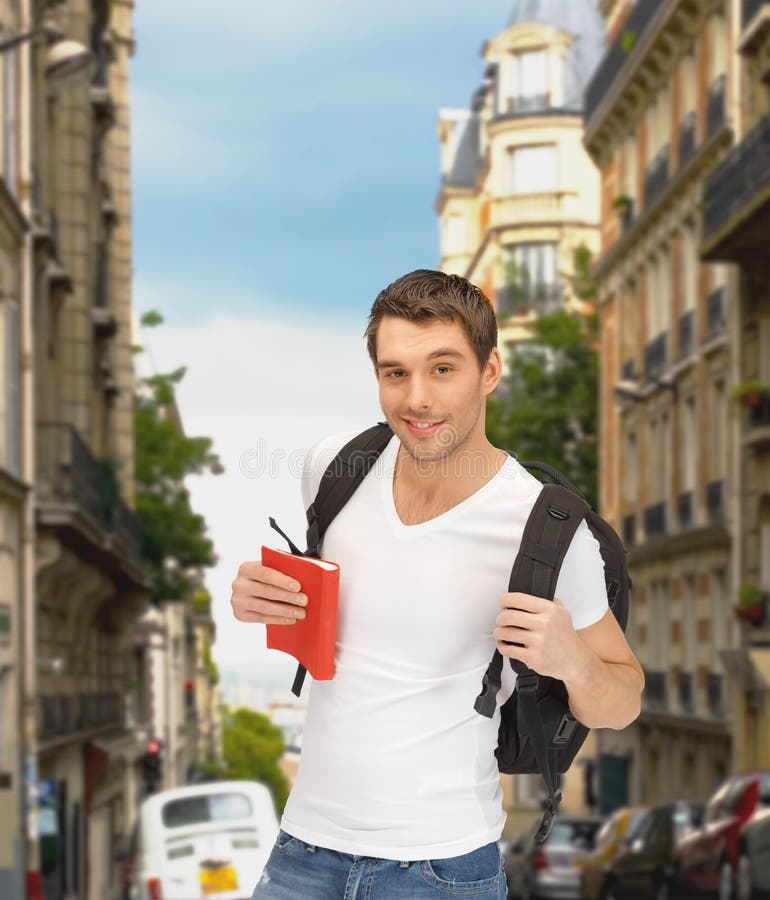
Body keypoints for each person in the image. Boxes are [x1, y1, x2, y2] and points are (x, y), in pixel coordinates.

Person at [231, 270, 644, 899]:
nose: (416, 399)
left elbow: (624, 699)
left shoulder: (549, 530)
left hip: (440, 870)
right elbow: (337, 616)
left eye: (442, 369)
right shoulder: (336, 467)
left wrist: (573, 661)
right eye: (395, 373)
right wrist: (260, 598)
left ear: (490, 371)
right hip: (301, 853)